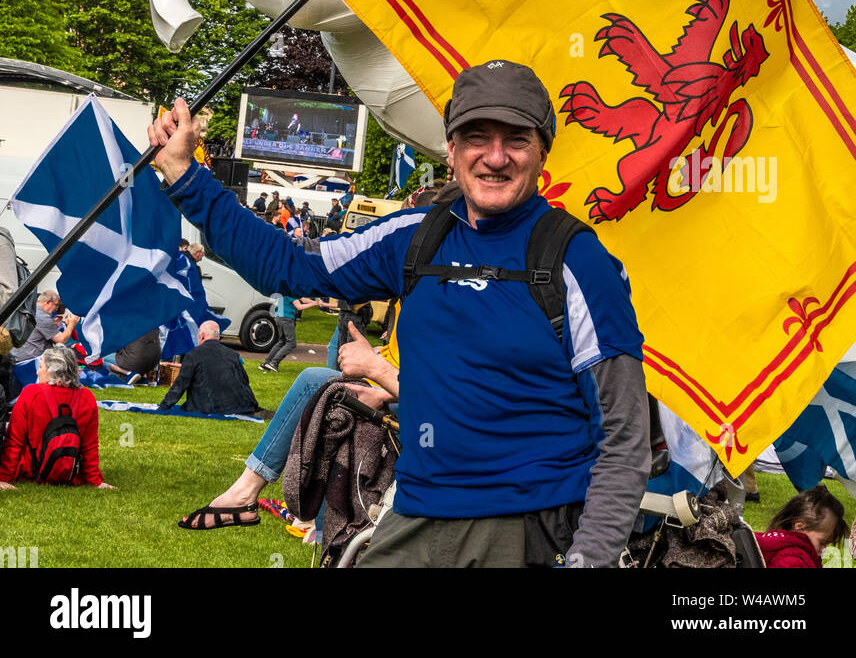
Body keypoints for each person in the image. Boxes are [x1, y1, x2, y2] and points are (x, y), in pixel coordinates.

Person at [149, 60, 651, 569]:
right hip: (414, 516)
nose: (495, 157)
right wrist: (185, 175)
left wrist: (592, 558)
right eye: (476, 137)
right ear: (452, 150)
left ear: (542, 151)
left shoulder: (578, 260)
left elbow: (624, 433)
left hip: (529, 529)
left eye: (516, 139)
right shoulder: (413, 236)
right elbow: (288, 265)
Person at [178, 317, 400, 530]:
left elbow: (432, 386)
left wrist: (381, 385)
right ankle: (321, 530)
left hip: (405, 401)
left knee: (313, 383)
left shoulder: (427, 288)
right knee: (324, 399)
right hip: (389, 386)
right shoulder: (414, 291)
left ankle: (247, 493)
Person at [0, 344, 114, 489]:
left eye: (41, 367)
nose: (37, 373)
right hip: (68, 474)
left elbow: (14, 441)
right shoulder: (87, 397)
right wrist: (95, 480)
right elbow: (90, 446)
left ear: (51, 371)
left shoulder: (31, 394)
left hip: (30, 472)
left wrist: (4, 478)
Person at [158, 321, 260, 416]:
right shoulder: (232, 354)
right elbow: (244, 380)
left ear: (202, 336)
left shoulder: (193, 355)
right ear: (218, 336)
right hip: (241, 405)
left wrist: (163, 407)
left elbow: (180, 385)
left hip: (209, 407)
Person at [755, 485, 846, 568]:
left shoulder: (777, 543)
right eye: (822, 543)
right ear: (800, 526)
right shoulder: (794, 561)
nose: (824, 550)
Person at [12, 290, 79, 363]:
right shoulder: (42, 316)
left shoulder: (30, 309)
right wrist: (71, 324)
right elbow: (61, 340)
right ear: (48, 302)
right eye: (56, 305)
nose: (56, 309)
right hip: (29, 361)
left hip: (16, 357)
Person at [260, 293, 317, 372]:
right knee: (291, 343)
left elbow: (302, 298)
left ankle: (266, 363)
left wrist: (314, 302)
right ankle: (274, 363)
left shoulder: (284, 290)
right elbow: (299, 307)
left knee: (281, 342)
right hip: (286, 318)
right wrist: (314, 304)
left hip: (279, 317)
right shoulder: (290, 292)